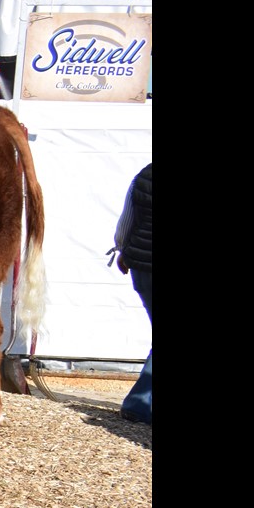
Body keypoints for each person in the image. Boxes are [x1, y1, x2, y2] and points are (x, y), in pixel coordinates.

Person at [108, 163, 152, 423]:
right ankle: (137, 404)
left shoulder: (145, 174)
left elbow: (127, 219)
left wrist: (121, 249)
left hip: (141, 265)